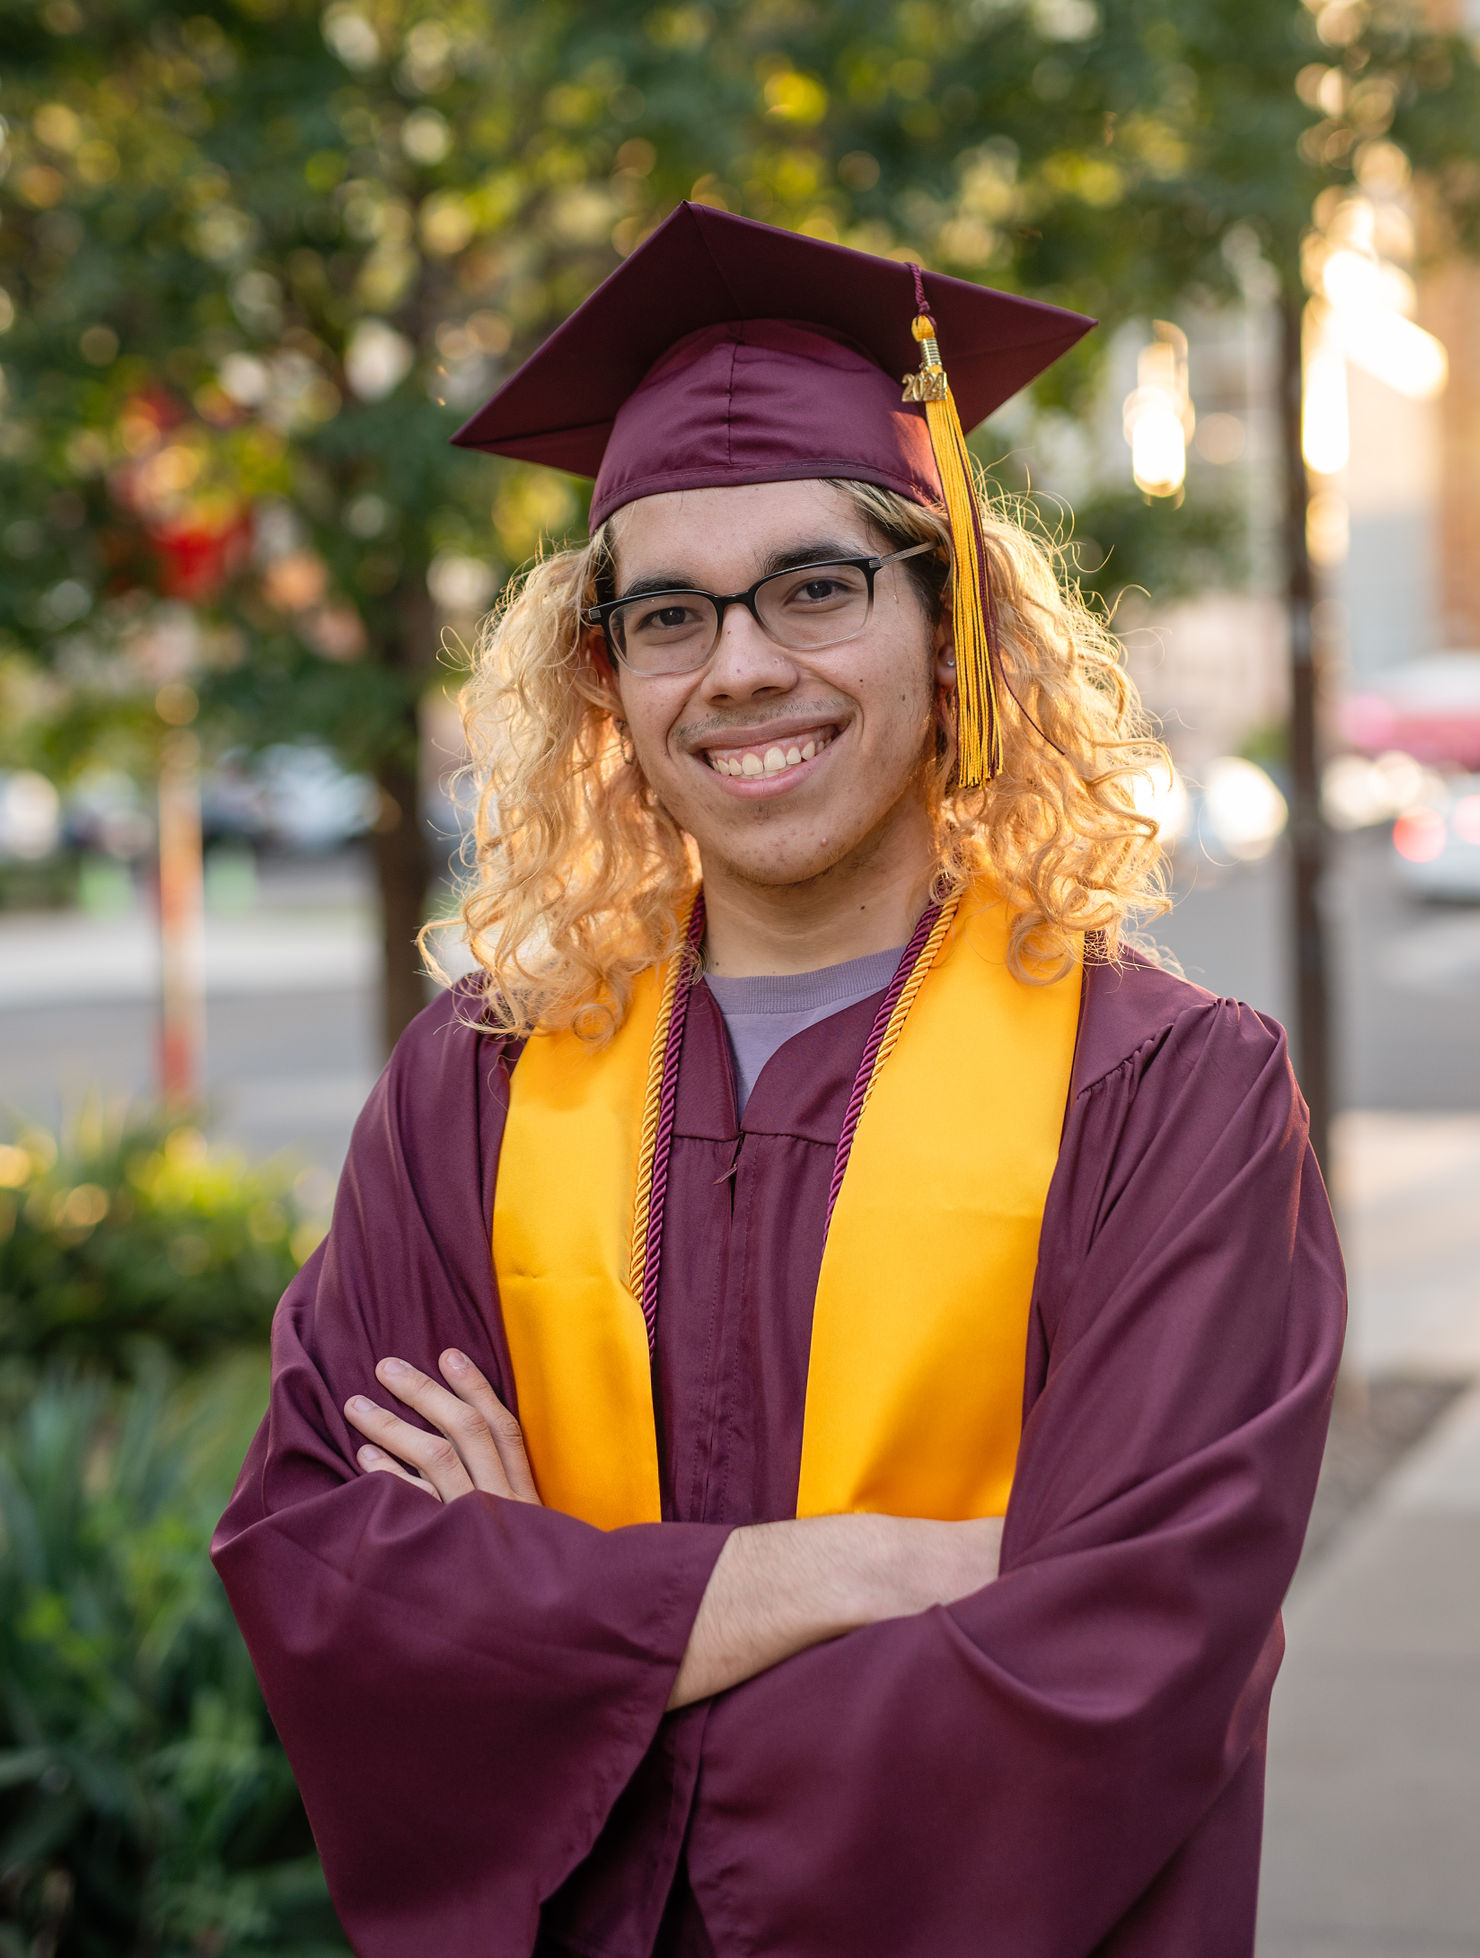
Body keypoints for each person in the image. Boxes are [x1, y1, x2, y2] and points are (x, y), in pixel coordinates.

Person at [214, 203, 1344, 1958]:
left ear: (953, 619)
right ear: (606, 678)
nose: (742, 666)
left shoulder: (1168, 1102)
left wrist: (562, 1622)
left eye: (816, 587)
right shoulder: (477, 1089)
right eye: (669, 613)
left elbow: (1115, 1669)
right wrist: (834, 1575)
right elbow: (329, 1571)